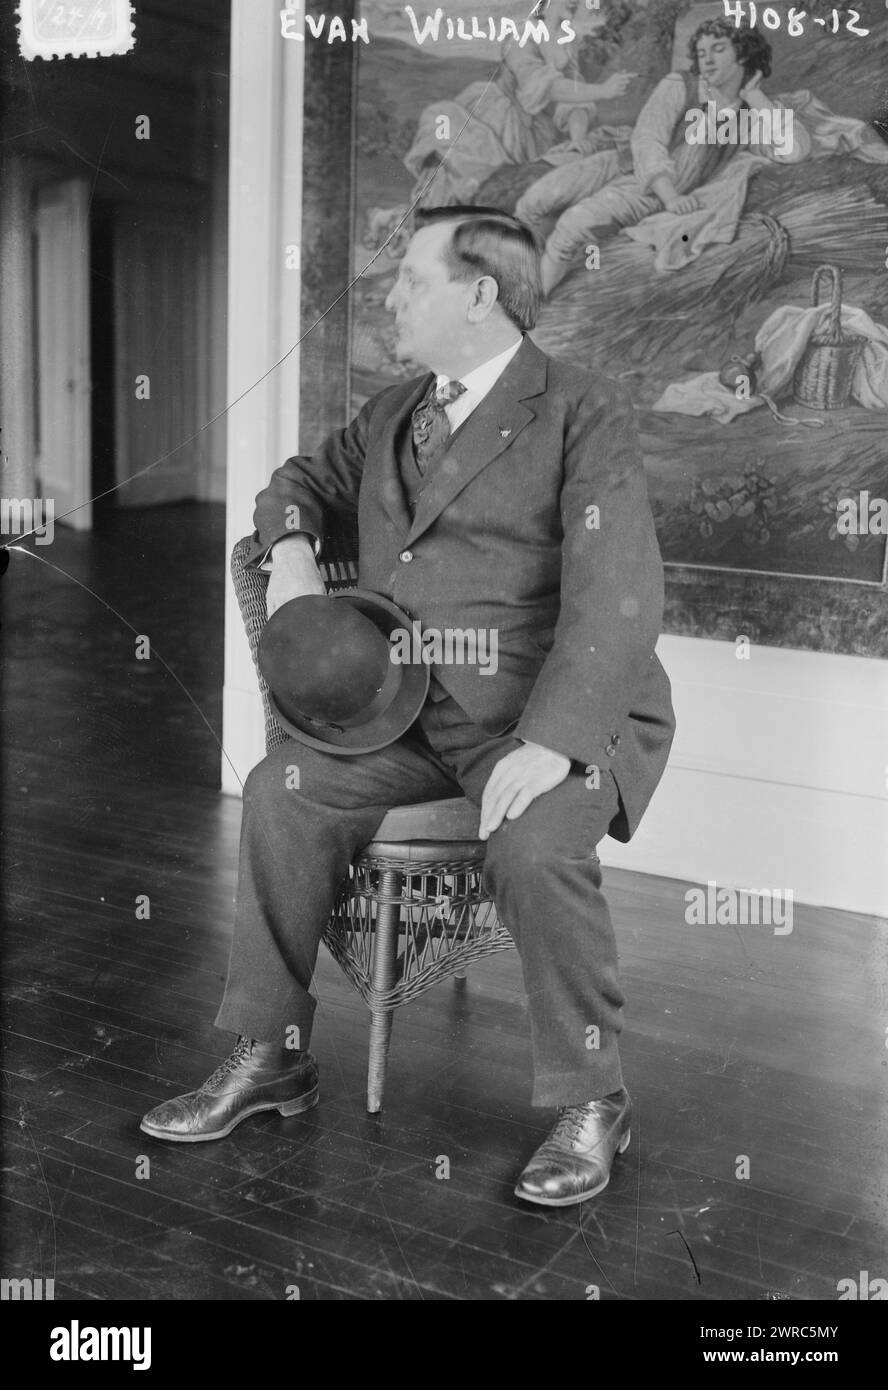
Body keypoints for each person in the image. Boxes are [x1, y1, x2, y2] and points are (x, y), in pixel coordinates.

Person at [140, 206, 676, 1208]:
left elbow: (620, 592)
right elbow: (294, 483)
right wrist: (295, 550)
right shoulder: (394, 412)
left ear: (480, 295)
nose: (391, 296)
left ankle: (594, 1098)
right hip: (405, 711)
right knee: (281, 789)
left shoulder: (582, 409)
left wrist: (556, 742)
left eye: (411, 281)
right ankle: (273, 1054)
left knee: (532, 847)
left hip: (541, 714)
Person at [515, 18, 811, 293]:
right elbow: (648, 138)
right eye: (701, 51)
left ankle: (533, 303)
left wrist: (755, 96)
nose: (706, 59)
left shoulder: (750, 115)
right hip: (625, 165)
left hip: (644, 191)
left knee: (572, 227)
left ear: (743, 56)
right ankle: (515, 272)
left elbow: (795, 150)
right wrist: (670, 196)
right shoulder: (680, 85)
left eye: (718, 50)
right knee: (533, 201)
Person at [404, 0, 636, 207]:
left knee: (511, 192)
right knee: (460, 173)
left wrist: (577, 140)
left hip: (534, 134)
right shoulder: (523, 35)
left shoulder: (566, 44)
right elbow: (542, 86)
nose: (574, 2)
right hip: (497, 116)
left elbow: (575, 99)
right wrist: (603, 91)